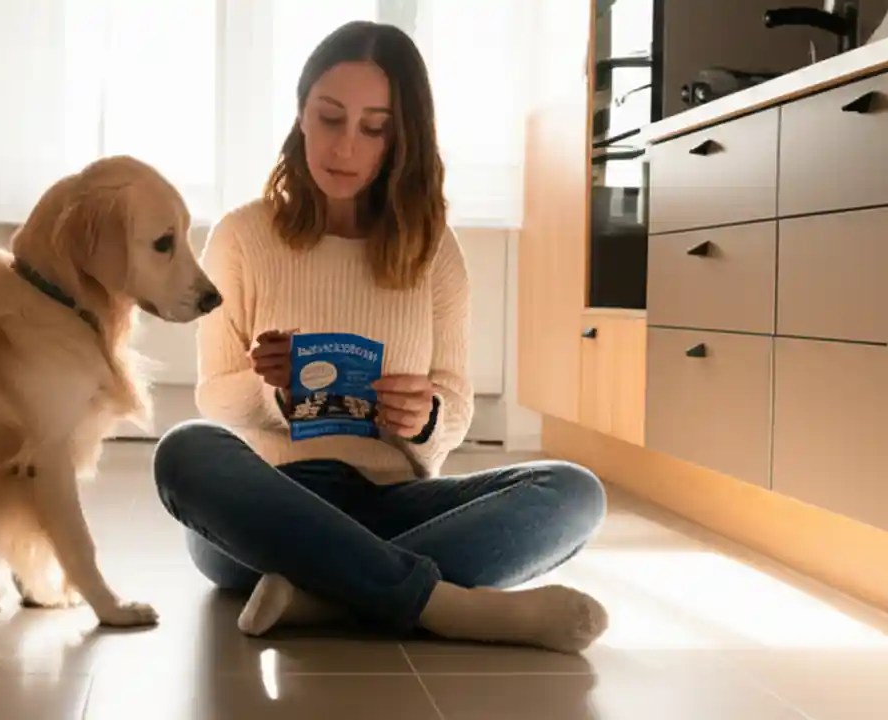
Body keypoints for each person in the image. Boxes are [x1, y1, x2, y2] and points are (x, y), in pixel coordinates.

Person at [152, 20, 609, 653]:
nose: (345, 147)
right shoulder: (241, 236)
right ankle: (441, 604)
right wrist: (272, 396)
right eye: (330, 118)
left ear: (401, 138)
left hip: (395, 499)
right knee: (184, 451)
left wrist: (424, 419)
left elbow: (455, 407)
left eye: (374, 128)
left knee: (575, 493)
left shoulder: (433, 251)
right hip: (273, 506)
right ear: (301, 114)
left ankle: (321, 596)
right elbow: (213, 396)